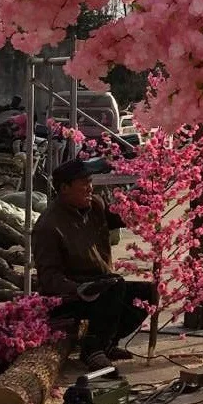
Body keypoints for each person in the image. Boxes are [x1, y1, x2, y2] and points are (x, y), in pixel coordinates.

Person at [33, 156, 157, 370]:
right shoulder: (49, 226)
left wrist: (144, 192)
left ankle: (107, 343)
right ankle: (93, 350)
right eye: (84, 183)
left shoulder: (95, 206)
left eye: (90, 182)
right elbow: (49, 278)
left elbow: (121, 216)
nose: (90, 188)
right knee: (113, 286)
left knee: (148, 294)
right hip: (70, 296)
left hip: (104, 285)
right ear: (64, 188)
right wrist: (79, 289)